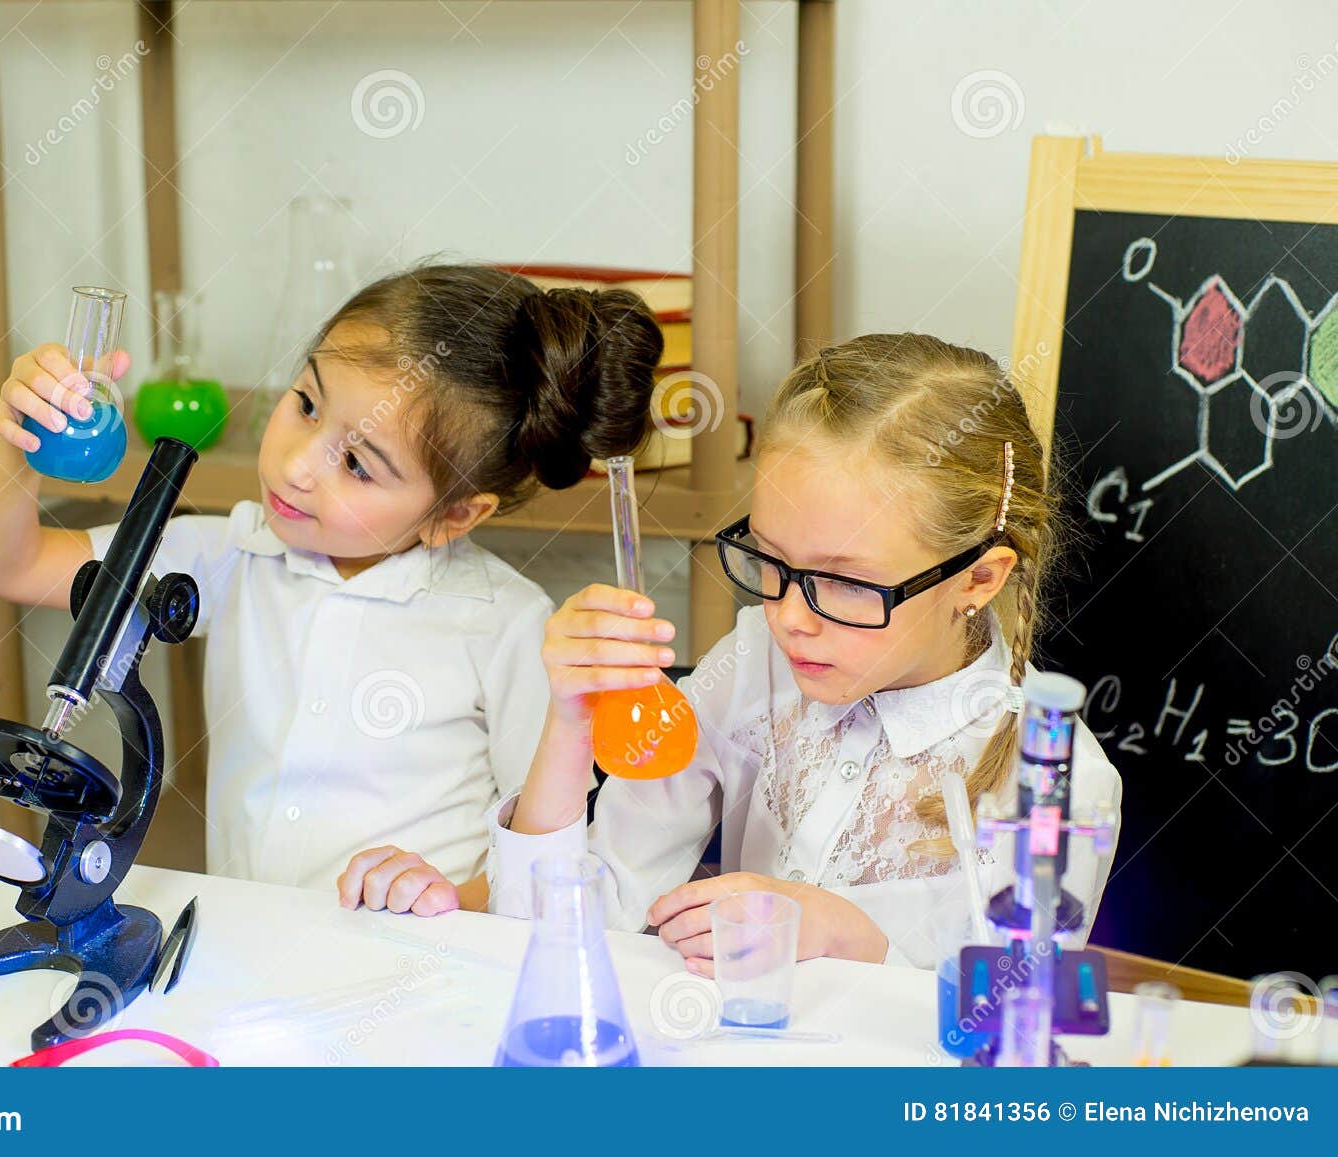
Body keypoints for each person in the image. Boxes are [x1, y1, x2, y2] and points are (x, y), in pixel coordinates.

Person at [339, 332, 1122, 970]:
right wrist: (571, 719)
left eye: (846, 583)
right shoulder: (756, 664)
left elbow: (1013, 1025)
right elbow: (571, 916)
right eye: (770, 562)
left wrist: (848, 934)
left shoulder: (1056, 783)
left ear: (978, 578)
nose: (787, 615)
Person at [0, 263, 663, 902]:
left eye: (357, 464)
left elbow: (549, 868)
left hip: (418, 979)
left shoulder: (506, 623)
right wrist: (23, 439)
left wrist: (450, 899)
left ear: (452, 515)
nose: (296, 466)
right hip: (254, 968)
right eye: (306, 404)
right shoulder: (231, 551)